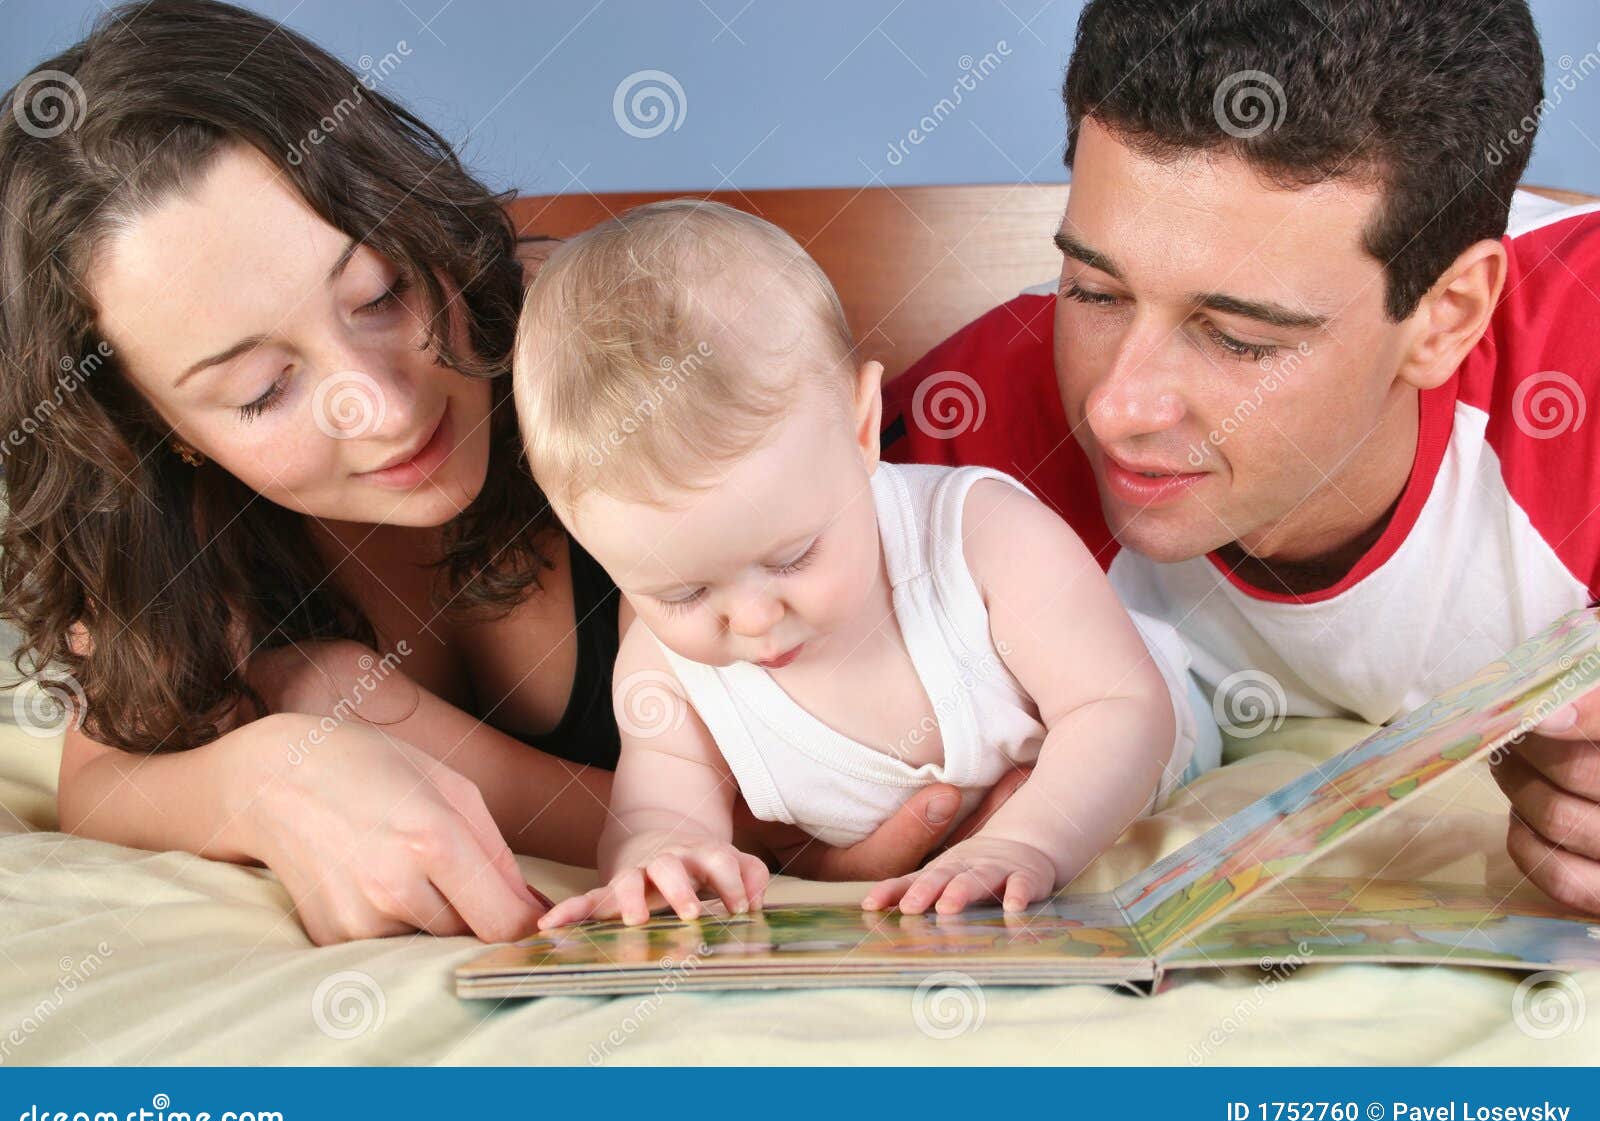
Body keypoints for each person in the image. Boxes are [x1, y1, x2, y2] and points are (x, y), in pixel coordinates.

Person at [0, 0, 1001, 947]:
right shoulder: (176, 530)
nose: (385, 407)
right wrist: (263, 773)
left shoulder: (610, 360)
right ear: (149, 423)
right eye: (263, 390)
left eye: (383, 292)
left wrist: (345, 704)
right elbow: (103, 773)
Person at [883, 0, 1600, 912]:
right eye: (1095, 291)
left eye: (1238, 337)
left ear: (1448, 315)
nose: (1115, 406)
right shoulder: (963, 434)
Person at [513, 200, 1218, 926]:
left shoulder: (981, 536)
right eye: (684, 592)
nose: (754, 618)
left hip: (1142, 737)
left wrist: (1026, 841)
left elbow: (1121, 709)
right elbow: (659, 809)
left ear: (860, 429)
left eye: (792, 556)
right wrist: (660, 858)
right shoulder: (664, 673)